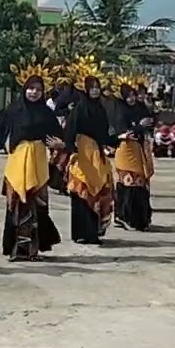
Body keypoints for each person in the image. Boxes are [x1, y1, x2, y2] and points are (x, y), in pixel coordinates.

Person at [0, 57, 64, 261]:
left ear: (43, 92)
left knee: (37, 206)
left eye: (38, 89)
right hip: (17, 162)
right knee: (16, 204)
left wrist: (61, 145)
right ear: (24, 89)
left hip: (38, 163)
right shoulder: (14, 110)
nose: (34, 92)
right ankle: (16, 249)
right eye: (30, 88)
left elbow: (61, 136)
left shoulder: (46, 113)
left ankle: (32, 250)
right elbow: (0, 134)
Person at [63, 58, 116, 245]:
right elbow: (69, 132)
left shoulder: (101, 109)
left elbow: (105, 134)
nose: (94, 90)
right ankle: (80, 233)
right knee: (81, 191)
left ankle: (93, 232)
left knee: (99, 190)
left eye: (97, 87)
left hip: (97, 153)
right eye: (91, 87)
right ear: (85, 89)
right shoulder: (79, 109)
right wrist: (71, 151)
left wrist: (116, 140)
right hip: (82, 153)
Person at [110, 76, 154, 232]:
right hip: (125, 150)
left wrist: (142, 126)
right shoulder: (119, 111)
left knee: (140, 183)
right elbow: (122, 131)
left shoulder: (140, 108)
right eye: (128, 96)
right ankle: (124, 216)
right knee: (129, 183)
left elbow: (150, 122)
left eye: (133, 95)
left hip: (139, 149)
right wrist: (139, 127)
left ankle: (140, 219)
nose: (131, 99)